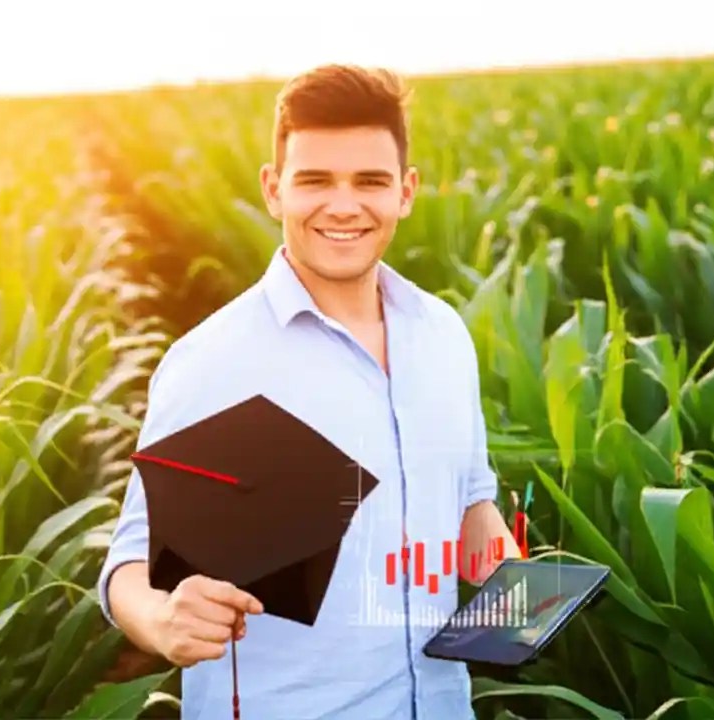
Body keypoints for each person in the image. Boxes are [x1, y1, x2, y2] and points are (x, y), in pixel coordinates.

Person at [96, 64, 521, 719]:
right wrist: (162, 622)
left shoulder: (442, 335)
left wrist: (518, 588)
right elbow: (132, 562)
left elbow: (469, 499)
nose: (344, 205)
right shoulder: (216, 360)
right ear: (274, 190)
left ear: (405, 192)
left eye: (370, 182)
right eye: (315, 180)